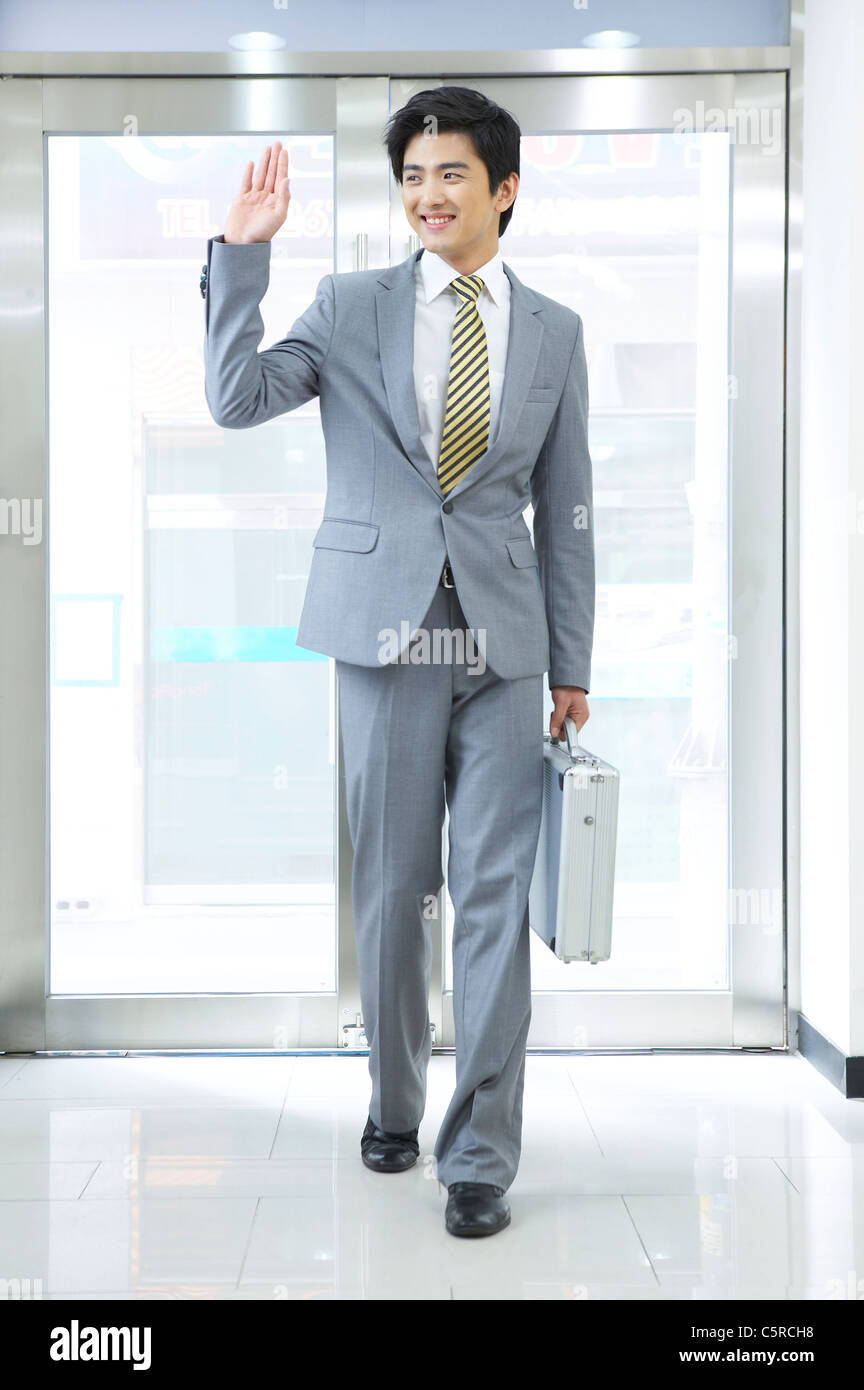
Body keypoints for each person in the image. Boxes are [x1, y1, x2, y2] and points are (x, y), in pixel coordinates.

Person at [201, 86, 595, 1238]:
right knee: (391, 889)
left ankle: (478, 1156)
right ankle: (393, 1097)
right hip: (382, 629)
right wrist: (240, 258)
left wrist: (571, 658)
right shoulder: (350, 305)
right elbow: (235, 401)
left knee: (489, 895)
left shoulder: (556, 329)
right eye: (413, 175)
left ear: (504, 188)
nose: (428, 195)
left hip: (506, 644)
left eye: (452, 175)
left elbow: (568, 508)